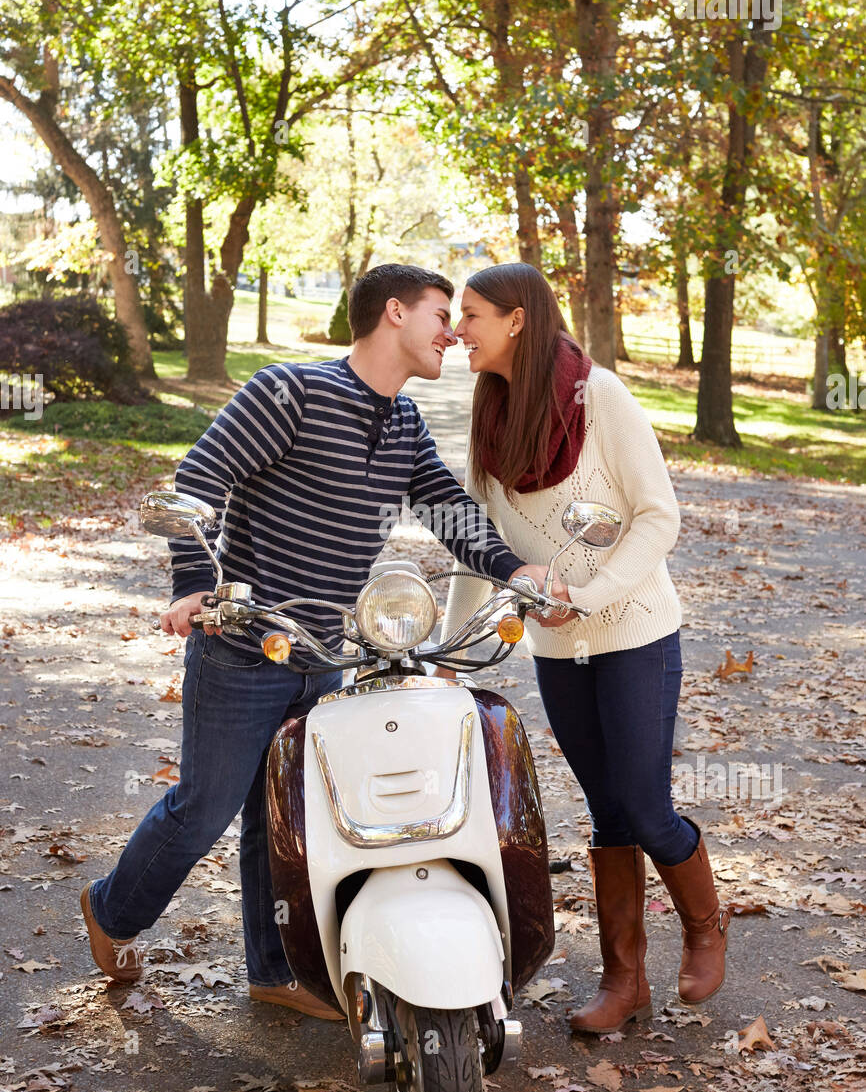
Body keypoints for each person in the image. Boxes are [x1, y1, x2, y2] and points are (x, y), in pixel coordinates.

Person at [81, 263, 563, 1019]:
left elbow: (446, 509)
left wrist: (515, 569)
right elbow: (199, 478)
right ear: (394, 314)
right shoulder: (290, 392)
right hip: (245, 649)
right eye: (443, 313)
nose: (451, 331)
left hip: (327, 656)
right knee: (206, 810)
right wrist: (188, 582)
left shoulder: (402, 422)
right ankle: (112, 911)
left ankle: (274, 972)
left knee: (284, 823)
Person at [436, 262, 730, 1035]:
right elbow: (482, 539)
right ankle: (623, 979)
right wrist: (445, 652)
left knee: (643, 803)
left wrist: (588, 596)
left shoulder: (598, 396)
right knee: (606, 811)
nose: (458, 329)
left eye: (470, 314)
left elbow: (657, 517)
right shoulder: (491, 409)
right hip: (557, 649)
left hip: (633, 631)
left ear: (518, 320)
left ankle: (705, 927)